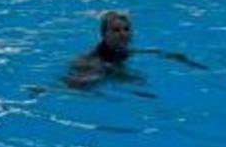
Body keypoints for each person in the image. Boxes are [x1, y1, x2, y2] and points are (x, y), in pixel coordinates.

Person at [67, 11, 203, 89]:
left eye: (126, 29)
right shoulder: (96, 61)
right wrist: (123, 76)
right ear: (104, 35)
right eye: (116, 30)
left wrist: (169, 55)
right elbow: (75, 84)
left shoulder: (120, 50)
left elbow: (132, 53)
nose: (123, 34)